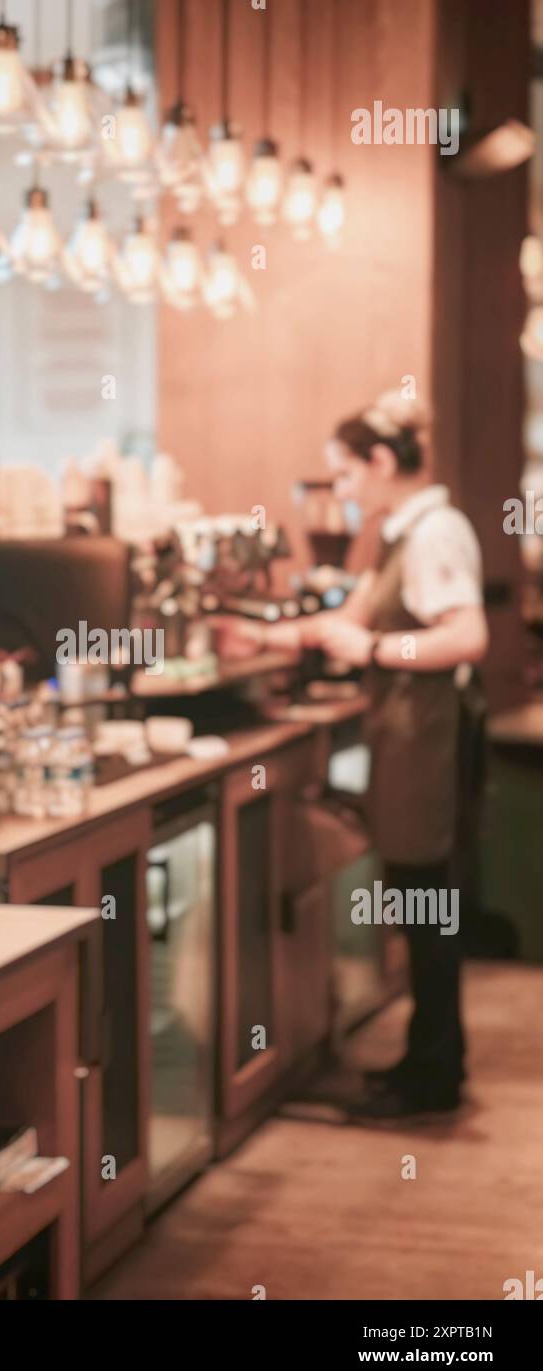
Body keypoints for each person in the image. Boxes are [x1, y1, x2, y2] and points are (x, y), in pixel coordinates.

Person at [217, 392, 489, 1119]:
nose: (341, 492)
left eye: (344, 475)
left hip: (428, 744)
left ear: (380, 461)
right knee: (416, 901)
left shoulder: (435, 532)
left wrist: (371, 649)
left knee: (428, 909)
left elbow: (467, 637)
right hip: (408, 744)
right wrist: (258, 637)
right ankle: (426, 1064)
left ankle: (434, 1077)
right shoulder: (403, 534)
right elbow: (350, 617)